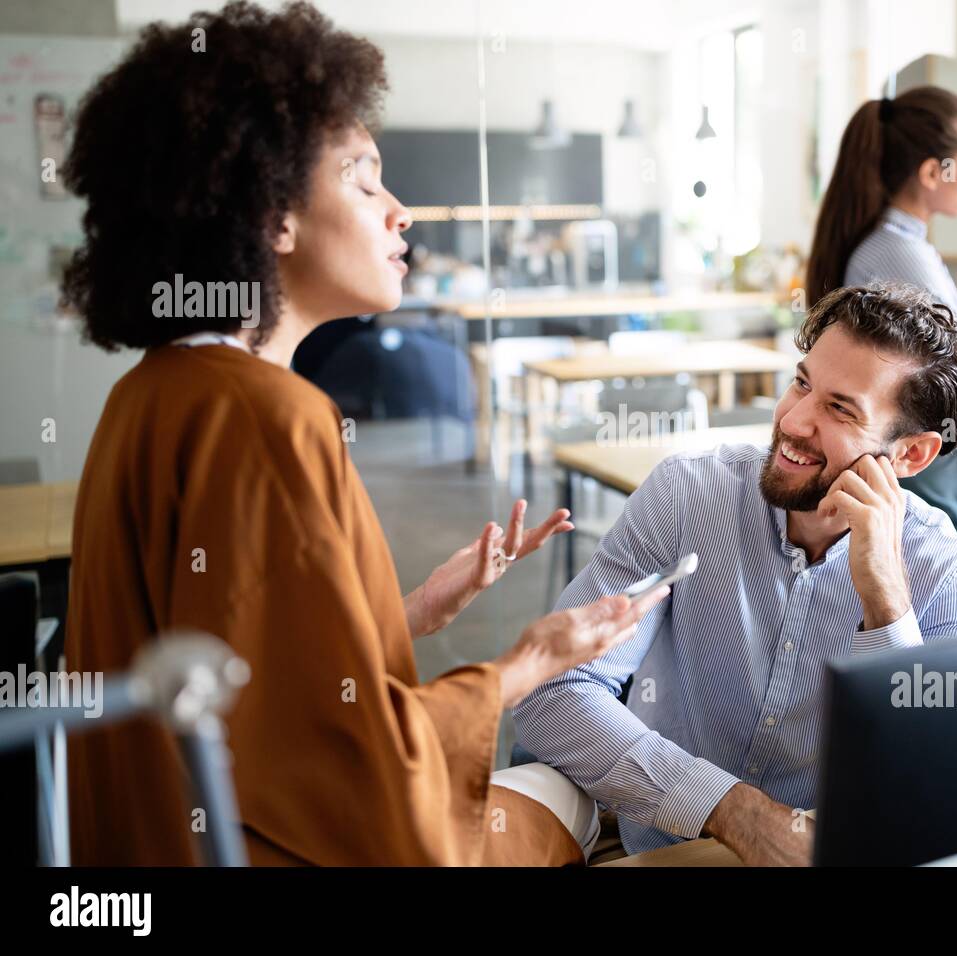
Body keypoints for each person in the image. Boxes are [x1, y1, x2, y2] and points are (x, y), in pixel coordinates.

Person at [60, 0, 664, 866]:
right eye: (363, 176)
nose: (400, 210)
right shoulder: (271, 416)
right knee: (577, 793)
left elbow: (245, 677)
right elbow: (350, 770)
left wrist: (407, 610)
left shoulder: (146, 396)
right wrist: (534, 658)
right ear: (273, 213)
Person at [515, 284, 957, 865]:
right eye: (802, 383)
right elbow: (548, 690)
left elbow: (927, 789)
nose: (792, 419)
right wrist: (733, 811)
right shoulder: (687, 495)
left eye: (839, 409)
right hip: (663, 848)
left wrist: (886, 603)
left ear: (912, 454)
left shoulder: (944, 571)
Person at [806, 85, 957, 541]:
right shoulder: (899, 253)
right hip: (915, 459)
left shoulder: (897, 244)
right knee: (945, 596)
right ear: (934, 173)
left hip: (910, 452)